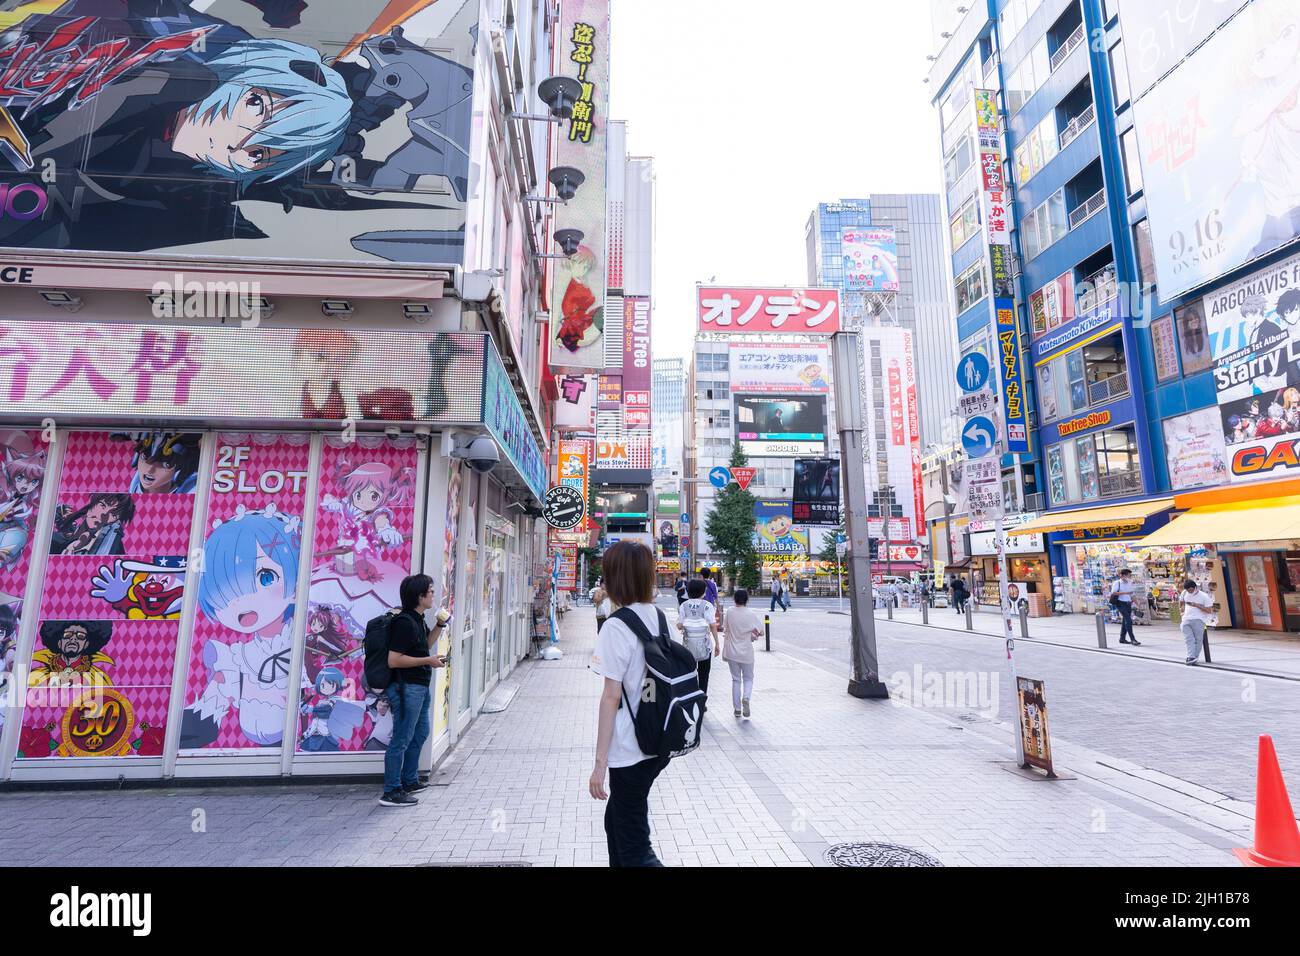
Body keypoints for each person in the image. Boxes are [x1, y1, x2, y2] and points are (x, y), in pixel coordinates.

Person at [589, 541, 673, 866]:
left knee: (635, 845)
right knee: (617, 824)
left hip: (630, 748)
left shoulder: (616, 625)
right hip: (657, 743)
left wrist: (599, 765)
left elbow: (611, 697)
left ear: (616, 577)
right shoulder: (659, 617)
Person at [380, 573, 450, 808]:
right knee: (401, 738)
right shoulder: (404, 623)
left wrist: (440, 625)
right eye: (430, 591)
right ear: (419, 596)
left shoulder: (417, 619)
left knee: (420, 732)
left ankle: (409, 780)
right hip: (405, 687)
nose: (433, 595)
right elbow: (394, 660)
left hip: (419, 686)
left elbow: (424, 646)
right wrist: (428, 661)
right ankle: (391, 790)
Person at [722, 588, 762, 719]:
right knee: (748, 678)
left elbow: (725, 629)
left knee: (736, 680)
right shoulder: (750, 614)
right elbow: (761, 631)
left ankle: (737, 709)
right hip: (746, 652)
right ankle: (746, 697)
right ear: (747, 600)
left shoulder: (730, 611)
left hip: (732, 651)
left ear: (734, 599)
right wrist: (752, 633)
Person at [677, 579, 720, 694]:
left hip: (687, 647)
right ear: (702, 592)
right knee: (704, 675)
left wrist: (685, 623)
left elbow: (680, 626)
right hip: (705, 646)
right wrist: (717, 644)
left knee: (689, 674)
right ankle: (702, 701)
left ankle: (692, 699)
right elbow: (712, 625)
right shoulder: (707, 605)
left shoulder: (683, 605)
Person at [1179, 579, 1215, 666]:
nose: (1189, 591)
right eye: (1187, 590)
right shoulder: (1184, 593)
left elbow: (1209, 610)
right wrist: (1181, 611)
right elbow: (1181, 602)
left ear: (1195, 587)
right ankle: (1191, 656)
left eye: (1190, 590)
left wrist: (1196, 605)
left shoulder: (1204, 596)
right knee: (1188, 639)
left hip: (1199, 620)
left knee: (1198, 640)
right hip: (1186, 620)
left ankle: (1194, 657)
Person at [1109, 568, 1141, 646]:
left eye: (1129, 576)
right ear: (1122, 575)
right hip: (1120, 603)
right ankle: (1133, 639)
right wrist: (1126, 593)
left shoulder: (1129, 583)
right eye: (1128, 575)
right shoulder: (1117, 583)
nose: (1129, 577)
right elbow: (1114, 592)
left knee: (1125, 621)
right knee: (1128, 620)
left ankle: (1122, 638)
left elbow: (1132, 594)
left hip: (1128, 603)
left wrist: (1137, 603)